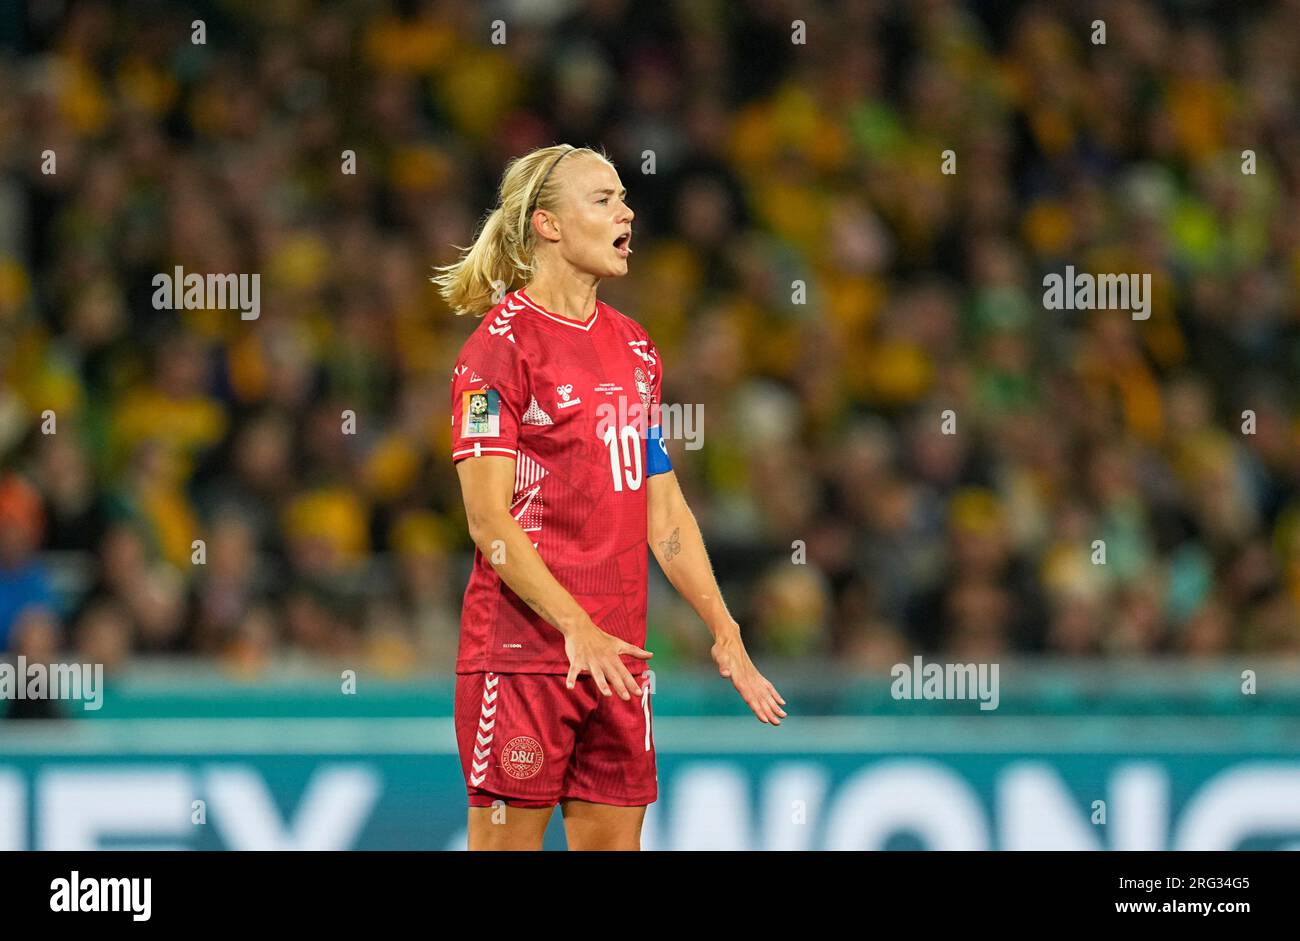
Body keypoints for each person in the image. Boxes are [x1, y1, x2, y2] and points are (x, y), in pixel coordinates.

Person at [433, 144, 786, 851]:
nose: (627, 211)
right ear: (549, 224)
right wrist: (573, 624)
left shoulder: (637, 349)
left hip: (619, 652)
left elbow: (665, 511)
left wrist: (724, 626)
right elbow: (486, 518)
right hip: (525, 653)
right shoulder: (497, 350)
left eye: (624, 197)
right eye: (603, 199)